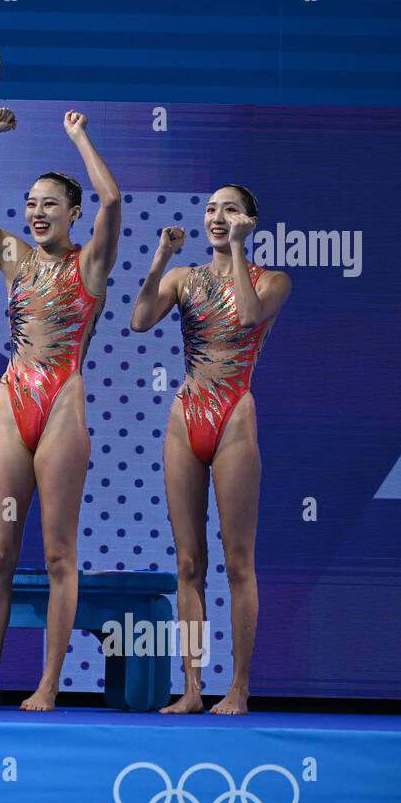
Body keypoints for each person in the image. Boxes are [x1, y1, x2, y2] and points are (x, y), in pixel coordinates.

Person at [0, 107, 122, 711]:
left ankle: (48, 684)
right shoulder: (14, 257)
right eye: (32, 202)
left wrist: (78, 137)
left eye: (51, 203)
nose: (38, 211)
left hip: (62, 405)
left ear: (74, 214)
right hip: (11, 402)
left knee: (57, 553)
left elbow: (114, 200)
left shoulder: (90, 264)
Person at [130, 185, 290, 716]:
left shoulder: (274, 280)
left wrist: (240, 252)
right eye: (212, 209)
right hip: (186, 414)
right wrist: (161, 259)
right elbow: (138, 319)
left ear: (251, 220)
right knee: (189, 561)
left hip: (234, 416)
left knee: (238, 560)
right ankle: (193, 688)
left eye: (231, 210)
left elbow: (246, 317)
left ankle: (239, 688)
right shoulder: (185, 278)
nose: (218, 217)